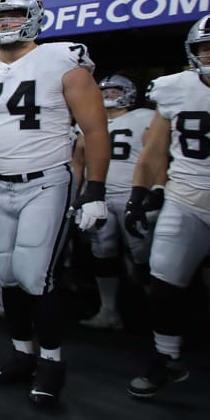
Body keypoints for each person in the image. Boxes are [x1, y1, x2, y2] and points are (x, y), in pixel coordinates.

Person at [0, 0, 110, 408]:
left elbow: (95, 130)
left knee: (34, 275)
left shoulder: (63, 60)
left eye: (14, 15)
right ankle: (23, 353)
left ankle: (52, 362)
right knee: (8, 277)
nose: (5, 24)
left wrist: (95, 189)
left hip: (46, 181)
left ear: (35, 16)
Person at [124, 12, 210, 420]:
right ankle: (166, 357)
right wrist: (138, 195)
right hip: (185, 199)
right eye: (205, 47)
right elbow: (154, 149)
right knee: (163, 282)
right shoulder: (175, 88)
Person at [71, 75, 155, 330]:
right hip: (98, 195)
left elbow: (156, 156)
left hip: (133, 194)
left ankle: (158, 312)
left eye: (114, 91)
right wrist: (76, 195)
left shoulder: (144, 117)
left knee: (144, 255)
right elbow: (78, 162)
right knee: (102, 251)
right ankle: (108, 310)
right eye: (104, 92)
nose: (108, 96)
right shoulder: (87, 121)